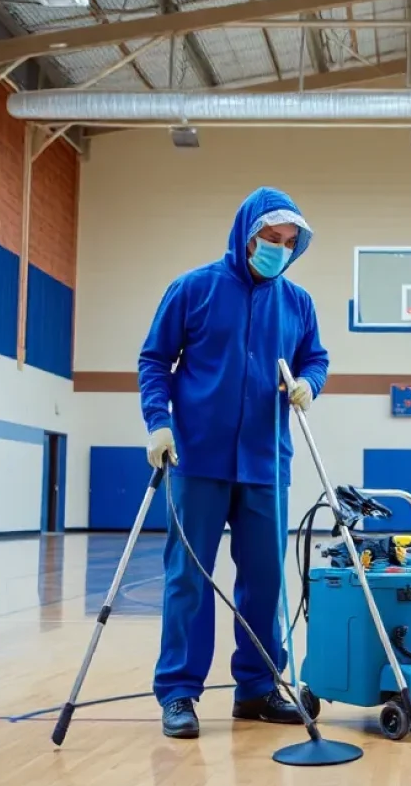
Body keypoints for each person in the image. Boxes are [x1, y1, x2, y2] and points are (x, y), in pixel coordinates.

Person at [138, 186, 329, 739]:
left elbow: (315, 356)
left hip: (267, 463)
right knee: (189, 580)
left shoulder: (298, 303)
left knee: (266, 582)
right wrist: (158, 420)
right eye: (272, 239)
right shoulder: (194, 289)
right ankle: (178, 693)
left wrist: (309, 384)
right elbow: (155, 358)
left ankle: (259, 687)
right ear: (248, 234)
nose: (281, 249)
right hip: (197, 459)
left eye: (290, 242)